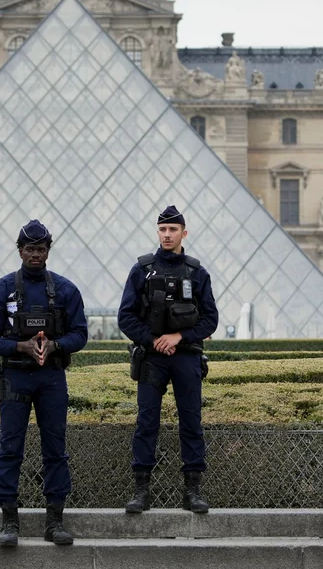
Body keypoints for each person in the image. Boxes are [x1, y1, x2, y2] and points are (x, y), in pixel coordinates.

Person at [0, 219, 88, 547]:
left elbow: (80, 333)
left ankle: (54, 520)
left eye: (41, 249)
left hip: (51, 376)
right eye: (30, 249)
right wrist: (20, 346)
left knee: (55, 449)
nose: (35, 255)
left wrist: (54, 345)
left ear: (48, 251)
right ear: (20, 251)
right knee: (10, 448)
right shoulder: (2, 290)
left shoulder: (66, 290)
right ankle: (9, 520)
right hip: (14, 375)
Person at [118, 205, 218, 514]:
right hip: (152, 359)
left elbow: (210, 320)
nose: (167, 234)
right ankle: (141, 491)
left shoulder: (197, 272)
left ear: (183, 233)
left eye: (173, 229)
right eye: (162, 229)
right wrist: (153, 341)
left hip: (186, 357)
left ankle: (193, 491)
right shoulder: (142, 270)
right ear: (157, 231)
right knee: (146, 422)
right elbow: (126, 318)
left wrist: (178, 337)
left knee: (192, 422)